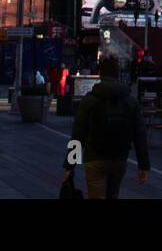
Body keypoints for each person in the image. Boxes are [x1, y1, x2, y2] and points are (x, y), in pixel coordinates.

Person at [62, 55, 150, 200]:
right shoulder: (130, 101)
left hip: (95, 157)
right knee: (113, 195)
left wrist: (69, 166)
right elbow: (140, 134)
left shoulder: (90, 100)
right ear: (118, 74)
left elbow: (78, 135)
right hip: (119, 158)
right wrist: (143, 165)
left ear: (100, 74)